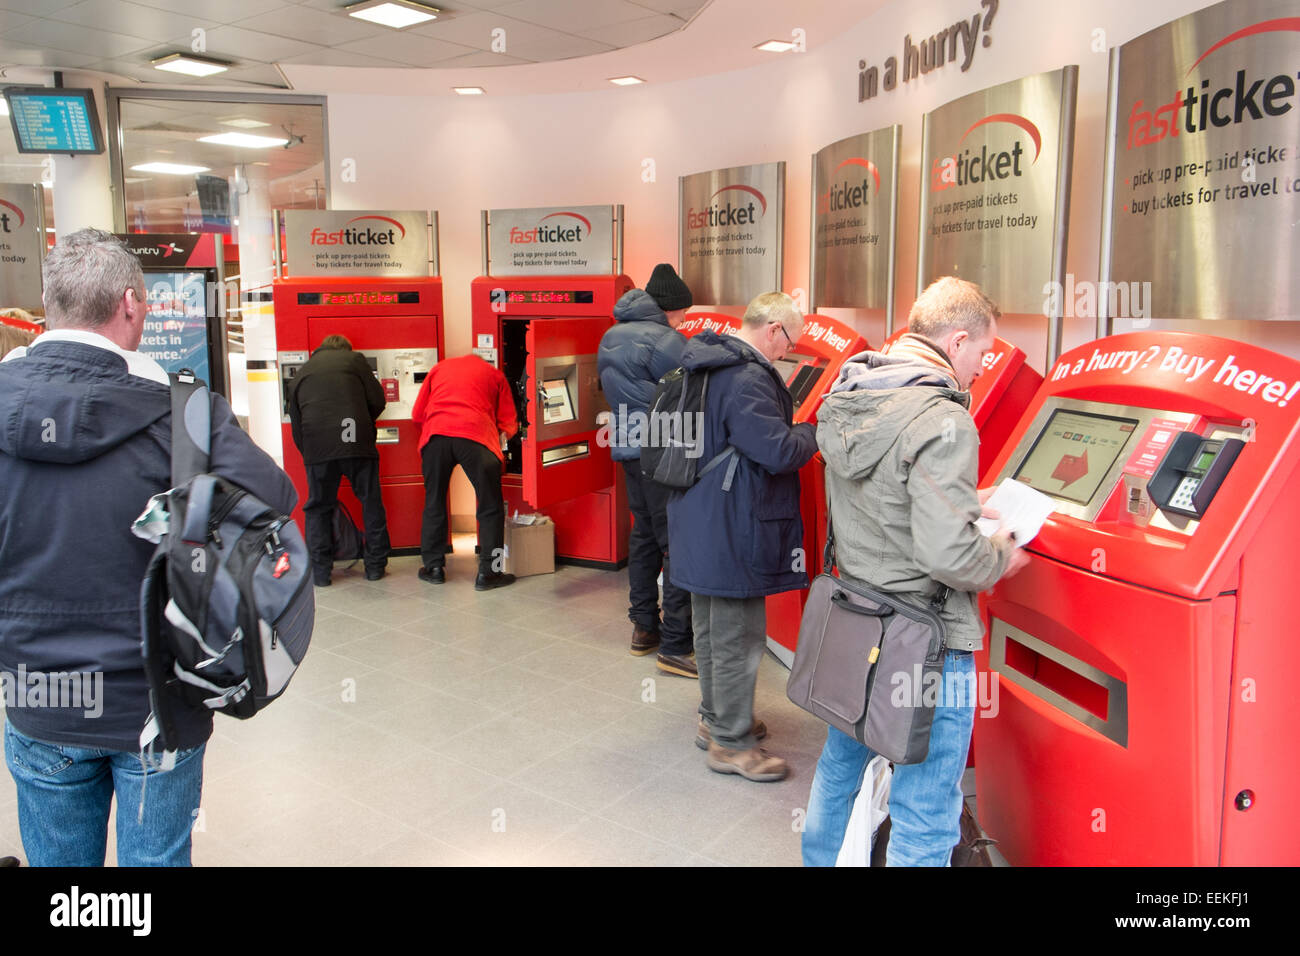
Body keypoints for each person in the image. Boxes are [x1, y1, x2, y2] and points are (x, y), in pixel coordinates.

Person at [0, 229, 295, 867]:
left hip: (35, 697)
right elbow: (276, 496)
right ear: (132, 304)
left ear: (48, 303)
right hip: (156, 700)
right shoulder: (186, 414)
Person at [801, 276, 1029, 867]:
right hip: (924, 638)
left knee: (839, 768)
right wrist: (1001, 552)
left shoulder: (852, 390)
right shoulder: (944, 419)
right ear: (957, 341)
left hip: (857, 623)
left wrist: (964, 500)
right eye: (983, 352)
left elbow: (885, 495)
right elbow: (949, 558)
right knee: (926, 810)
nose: (983, 366)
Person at [668, 292, 818, 782]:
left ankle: (716, 721)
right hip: (733, 523)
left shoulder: (705, 361)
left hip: (698, 516)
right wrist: (815, 430)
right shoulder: (749, 376)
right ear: (773, 329)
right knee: (738, 636)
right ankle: (731, 745)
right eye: (788, 343)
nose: (786, 353)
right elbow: (776, 450)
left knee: (711, 630)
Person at [598, 263, 696, 676]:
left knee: (643, 536)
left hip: (628, 448)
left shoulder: (611, 334)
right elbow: (695, 386)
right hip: (662, 452)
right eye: (683, 313)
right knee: (674, 539)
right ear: (669, 308)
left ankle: (643, 627)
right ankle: (676, 642)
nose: (685, 320)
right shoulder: (665, 339)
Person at [287, 334, 391, 585]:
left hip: (318, 447)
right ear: (345, 349)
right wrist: (363, 422)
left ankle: (321, 573)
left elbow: (296, 419)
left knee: (318, 508)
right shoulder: (355, 360)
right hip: (355, 439)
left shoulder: (302, 372)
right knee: (370, 502)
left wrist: (310, 452)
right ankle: (375, 566)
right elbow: (378, 401)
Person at [412, 353, 518, 590]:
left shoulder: (439, 369)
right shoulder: (495, 375)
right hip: (476, 436)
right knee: (490, 506)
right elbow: (509, 422)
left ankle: (434, 568)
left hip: (436, 436)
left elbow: (417, 414)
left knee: (434, 501)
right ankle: (489, 573)